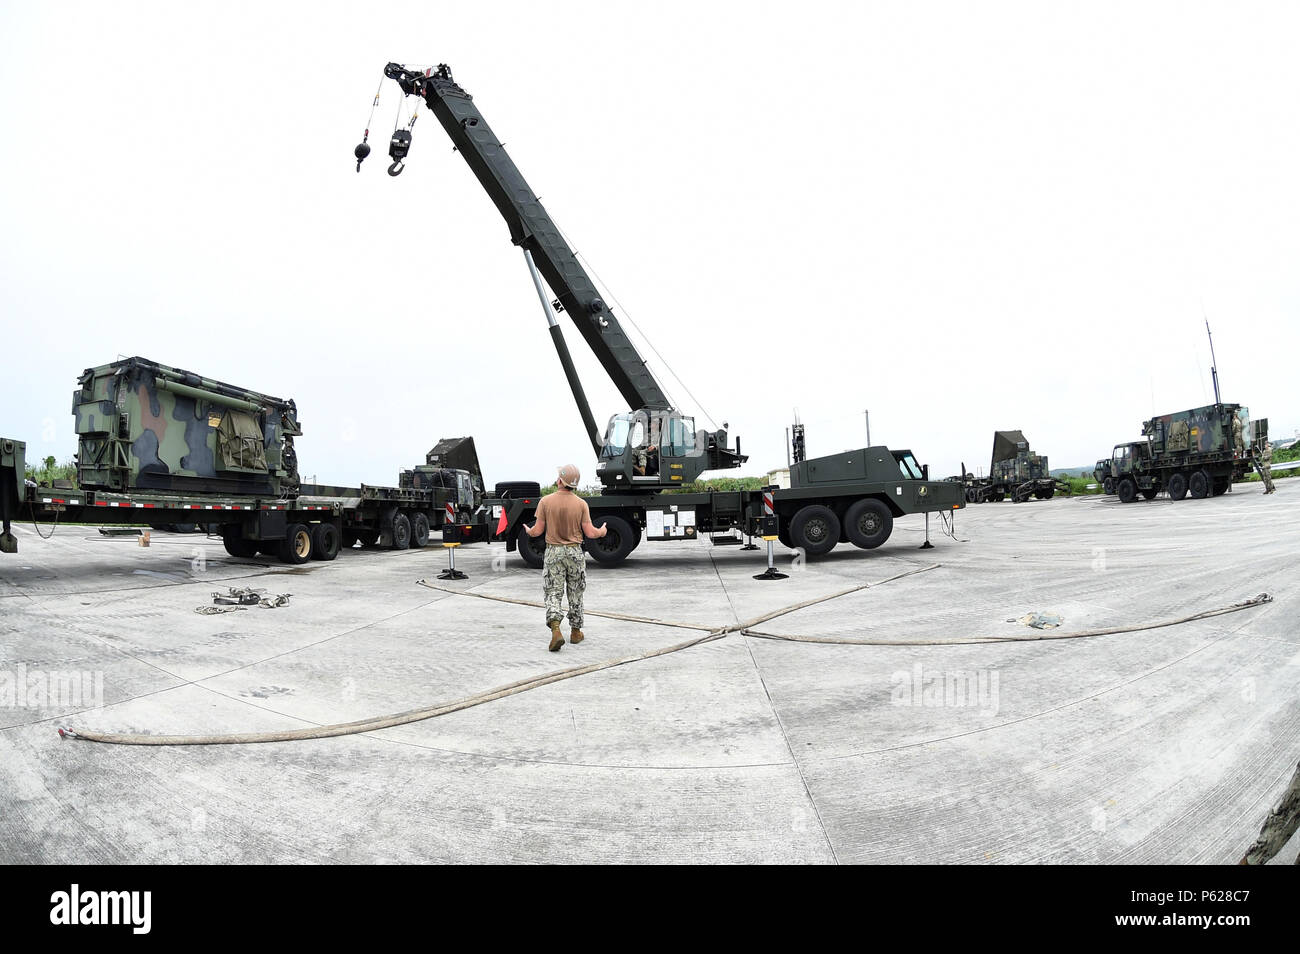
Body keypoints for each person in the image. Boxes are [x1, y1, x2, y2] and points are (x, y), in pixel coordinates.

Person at [526, 464, 608, 652]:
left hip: (554, 552)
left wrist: (529, 531)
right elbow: (590, 532)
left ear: (560, 480)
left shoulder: (545, 502)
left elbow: (537, 531)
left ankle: (556, 630)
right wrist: (602, 531)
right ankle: (575, 632)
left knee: (553, 592)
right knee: (576, 591)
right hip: (574, 552)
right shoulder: (581, 504)